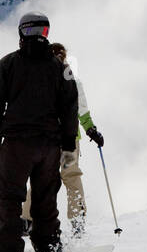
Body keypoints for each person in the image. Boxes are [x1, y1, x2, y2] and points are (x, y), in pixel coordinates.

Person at [0, 12, 78, 252]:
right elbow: (70, 107)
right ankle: (47, 248)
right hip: (49, 145)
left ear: (20, 33)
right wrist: (69, 146)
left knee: (10, 197)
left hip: (16, 144)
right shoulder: (61, 68)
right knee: (46, 198)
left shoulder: (8, 64)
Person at [20, 43, 103, 240]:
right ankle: (77, 222)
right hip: (68, 139)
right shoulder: (71, 78)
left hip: (47, 140)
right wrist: (91, 130)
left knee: (42, 178)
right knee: (71, 177)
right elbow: (81, 109)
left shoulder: (41, 79)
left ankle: (26, 219)